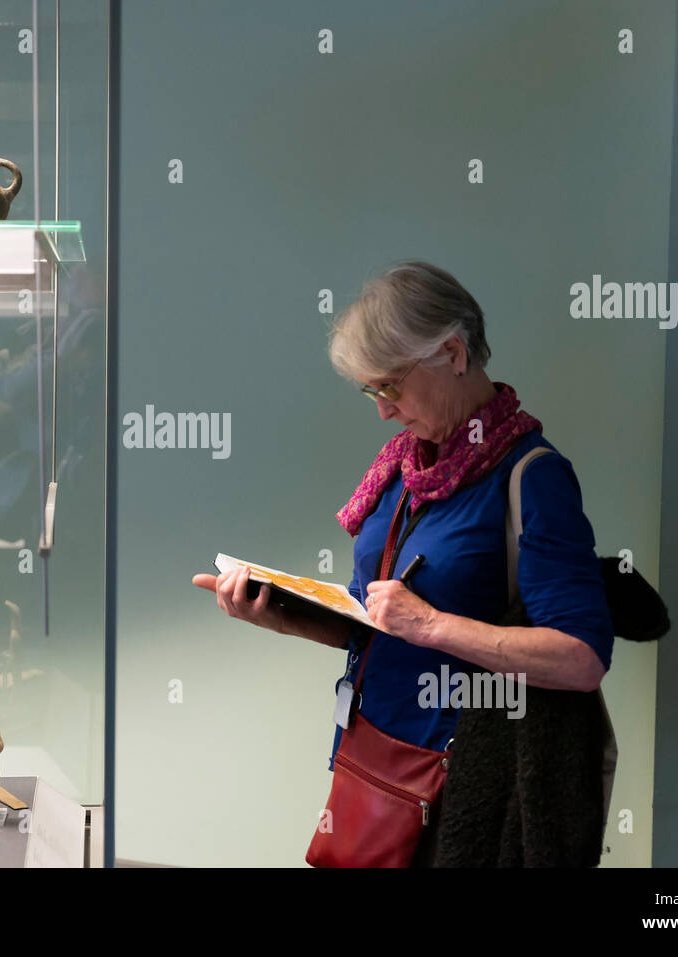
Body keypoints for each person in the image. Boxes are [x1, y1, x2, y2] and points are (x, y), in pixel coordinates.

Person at [192, 261, 614, 865]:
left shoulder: (533, 477)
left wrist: (430, 624)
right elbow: (378, 622)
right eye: (372, 391)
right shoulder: (406, 470)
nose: (384, 411)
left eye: (390, 386)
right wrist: (279, 613)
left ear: (452, 352)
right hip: (373, 760)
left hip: (464, 788)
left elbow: (581, 660)